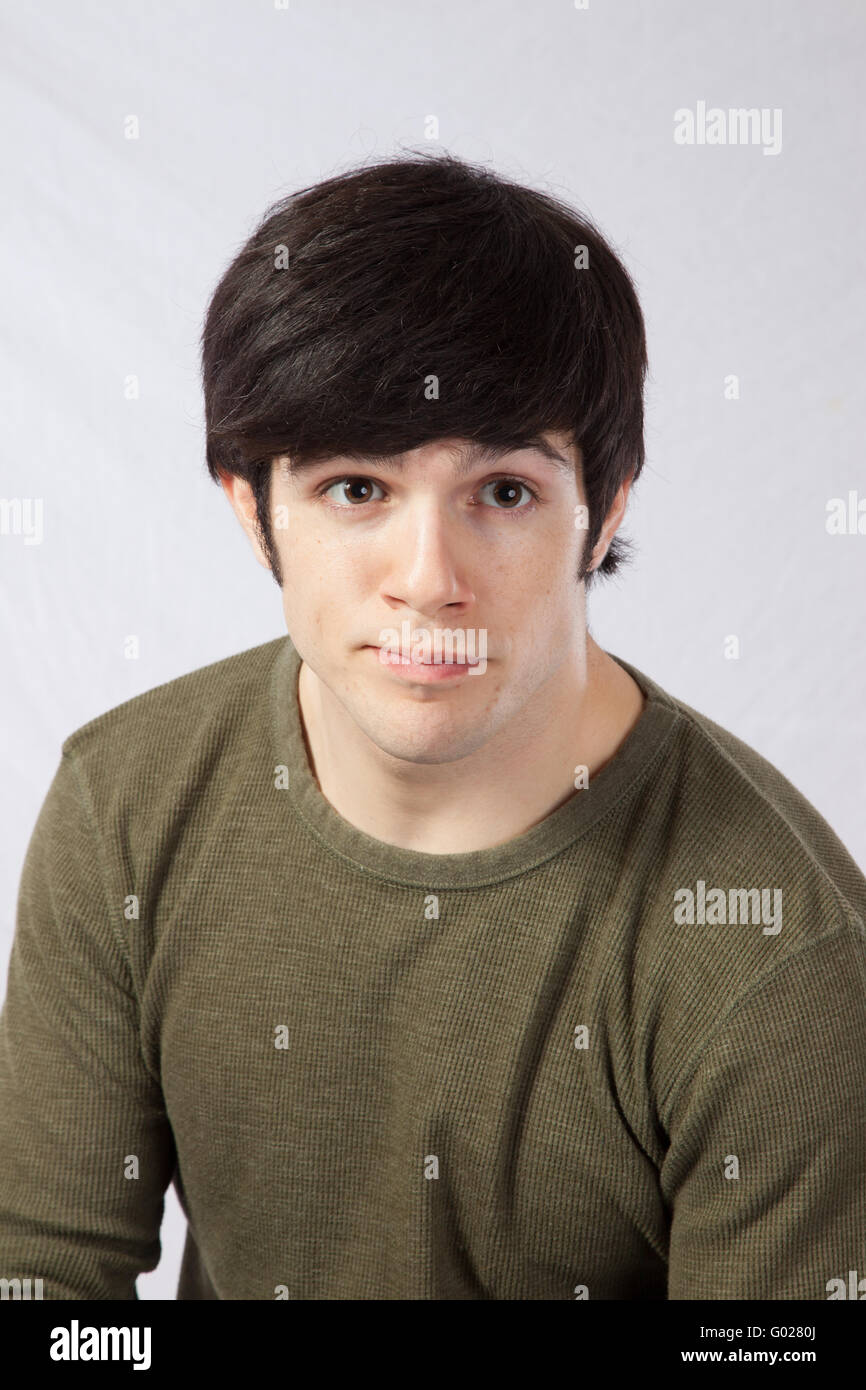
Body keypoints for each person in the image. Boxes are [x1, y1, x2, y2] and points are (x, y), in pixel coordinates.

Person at [1, 151, 864, 1301]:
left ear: (600, 512)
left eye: (501, 491)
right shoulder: (125, 802)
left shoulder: (779, 949)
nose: (427, 579)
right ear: (251, 511)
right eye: (356, 489)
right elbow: (46, 1285)